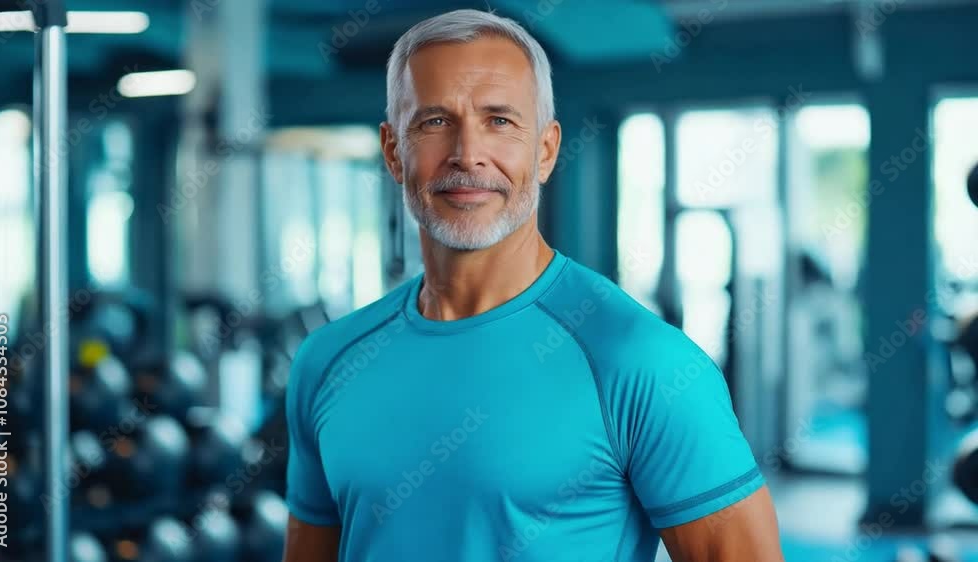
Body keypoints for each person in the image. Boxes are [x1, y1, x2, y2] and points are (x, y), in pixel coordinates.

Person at [282, 9, 783, 562]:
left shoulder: (643, 363)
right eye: (433, 122)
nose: (467, 153)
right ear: (393, 152)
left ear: (545, 151)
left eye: (499, 121)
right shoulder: (326, 361)